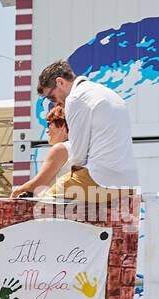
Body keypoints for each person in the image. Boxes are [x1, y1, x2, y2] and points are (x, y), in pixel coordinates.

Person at [14, 60, 139, 199]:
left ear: (60, 82)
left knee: (40, 203)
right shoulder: (107, 93)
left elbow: (79, 155)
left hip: (100, 181)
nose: (55, 103)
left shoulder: (76, 98)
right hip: (128, 184)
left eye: (51, 97)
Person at [11, 103, 69, 197]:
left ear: (62, 125)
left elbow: (38, 184)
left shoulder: (60, 148)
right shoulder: (79, 148)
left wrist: (16, 192)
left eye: (49, 124)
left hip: (58, 203)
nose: (47, 130)